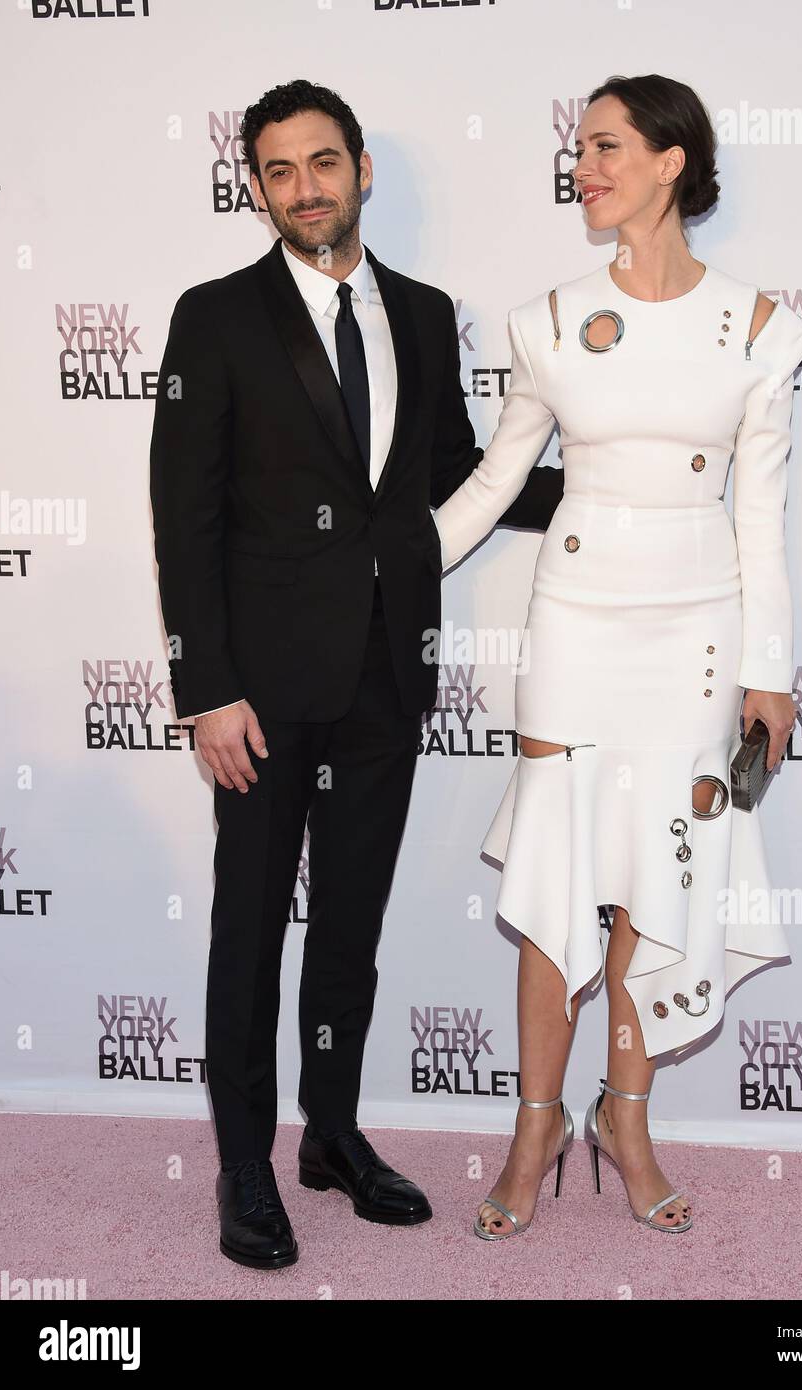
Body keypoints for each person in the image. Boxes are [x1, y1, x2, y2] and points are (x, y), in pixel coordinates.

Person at [149, 79, 562, 1269]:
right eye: (277, 172)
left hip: (386, 676)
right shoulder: (215, 316)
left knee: (348, 927)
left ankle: (330, 1135)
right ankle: (244, 1164)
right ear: (256, 187)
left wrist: (608, 478)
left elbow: (457, 477)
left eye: (322, 163)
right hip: (260, 698)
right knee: (247, 929)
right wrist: (206, 688)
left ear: (361, 168)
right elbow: (187, 516)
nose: (304, 189)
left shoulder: (427, 315)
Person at [432, 73, 802, 1240]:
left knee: (662, 887)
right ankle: (534, 1127)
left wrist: (768, 671)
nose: (583, 166)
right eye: (578, 149)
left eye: (604, 146)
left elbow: (763, 521)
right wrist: (381, 569)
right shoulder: (547, 318)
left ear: (669, 161)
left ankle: (626, 1120)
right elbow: (496, 483)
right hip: (575, 627)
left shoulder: (759, 329)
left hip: (695, 638)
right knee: (554, 888)